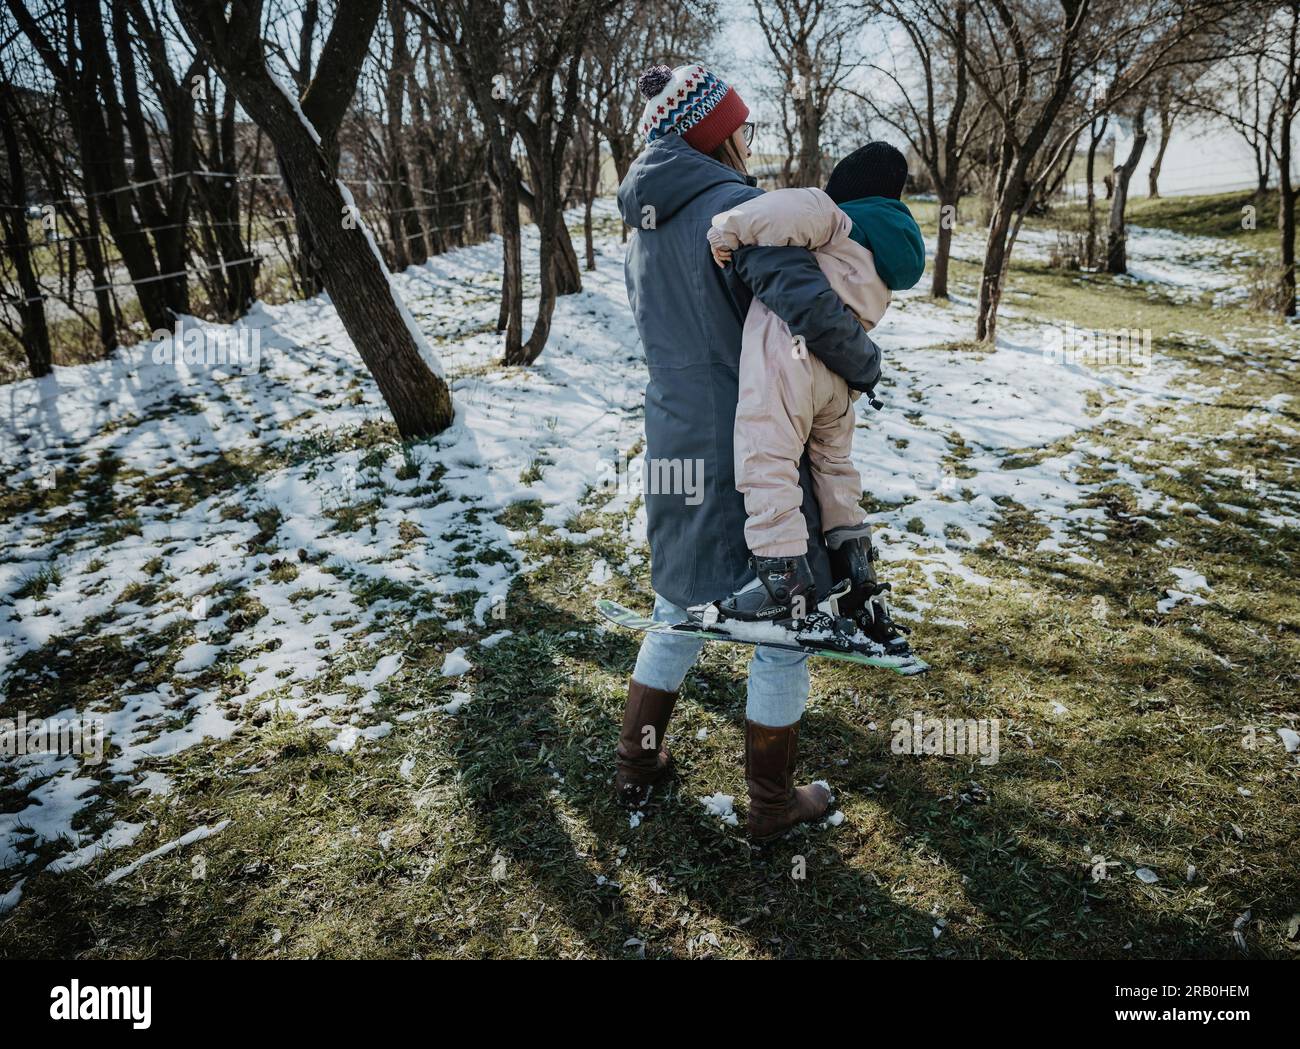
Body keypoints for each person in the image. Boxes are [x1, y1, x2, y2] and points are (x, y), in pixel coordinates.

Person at [613, 63, 882, 840]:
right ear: (712, 132)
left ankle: (638, 759)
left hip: (671, 438)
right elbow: (803, 304)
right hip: (748, 438)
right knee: (784, 622)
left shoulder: (643, 225)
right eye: (741, 125)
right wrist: (862, 364)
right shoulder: (738, 208)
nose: (746, 138)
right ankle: (770, 807)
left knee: (678, 604)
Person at [704, 142, 924, 658]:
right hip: (840, 372)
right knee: (835, 467)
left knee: (767, 450)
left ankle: (784, 586)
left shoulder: (835, 217)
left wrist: (726, 231)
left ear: (846, 187)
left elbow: (779, 211)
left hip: (790, 352)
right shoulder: (891, 244)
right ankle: (860, 584)